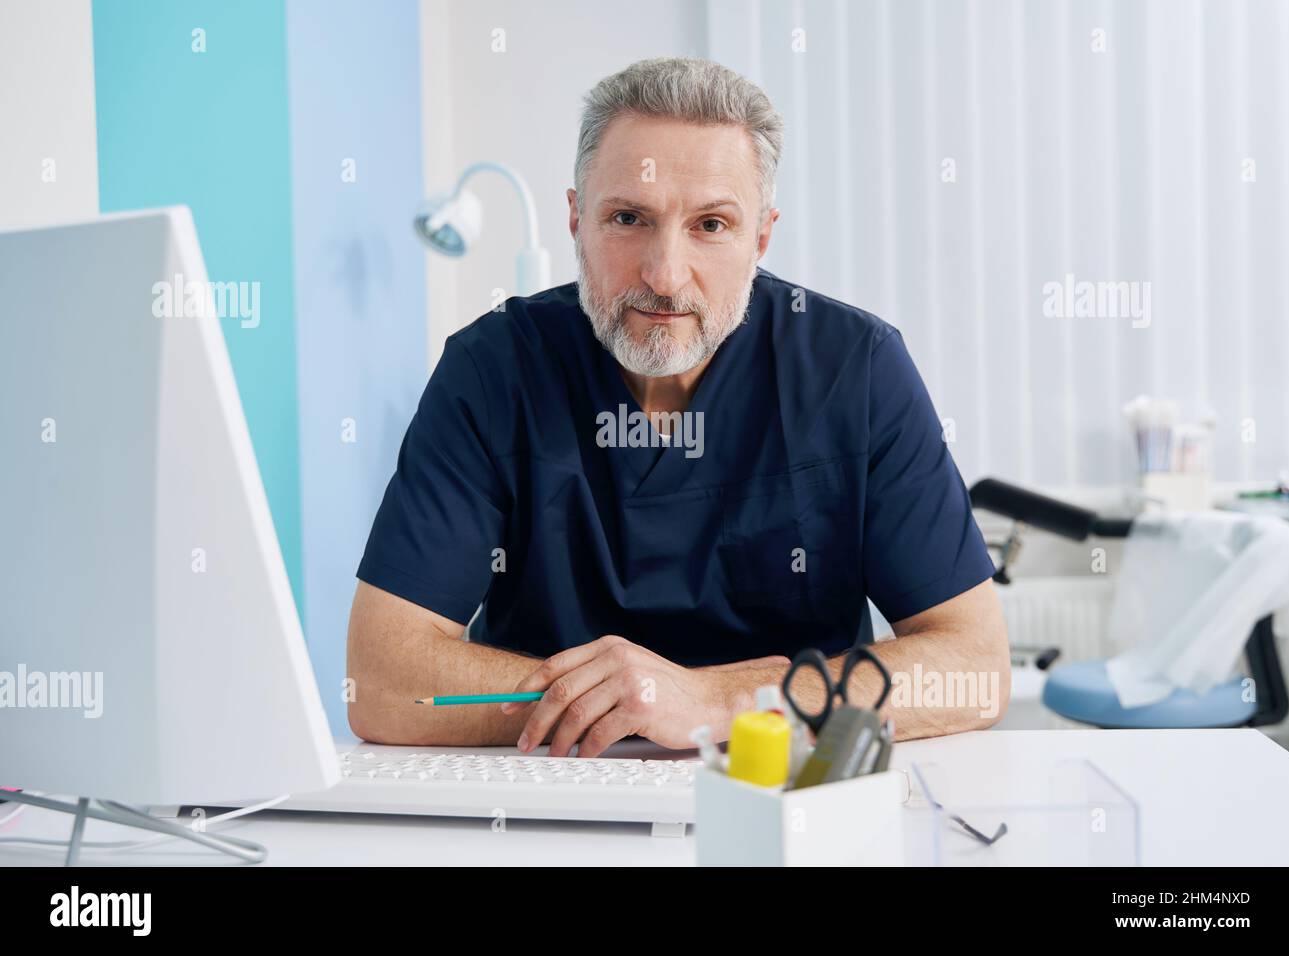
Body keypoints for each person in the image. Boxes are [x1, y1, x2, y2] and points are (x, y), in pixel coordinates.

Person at [347, 57, 1009, 757]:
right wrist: (626, 703)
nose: (664, 276)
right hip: (549, 801)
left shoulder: (857, 371)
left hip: (788, 796)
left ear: (762, 236)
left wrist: (718, 701)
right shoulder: (492, 372)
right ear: (575, 218)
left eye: (712, 225)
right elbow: (383, 679)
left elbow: (973, 671)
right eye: (629, 218)